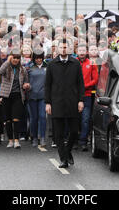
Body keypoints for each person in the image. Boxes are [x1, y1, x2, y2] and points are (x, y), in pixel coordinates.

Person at [45, 39, 85, 168]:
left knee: (74, 132)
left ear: (69, 49)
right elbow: (47, 85)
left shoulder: (75, 63)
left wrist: (80, 100)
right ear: (57, 49)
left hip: (72, 102)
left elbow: (80, 83)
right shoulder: (51, 64)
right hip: (56, 103)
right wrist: (47, 103)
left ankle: (67, 152)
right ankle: (63, 159)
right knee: (59, 134)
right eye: (61, 47)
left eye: (65, 47)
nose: (63, 49)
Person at [0, 53, 30, 149]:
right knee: (7, 119)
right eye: (14, 58)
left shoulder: (23, 70)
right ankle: (10, 140)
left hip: (18, 96)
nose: (15, 60)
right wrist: (7, 61)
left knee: (16, 119)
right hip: (6, 96)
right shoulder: (6, 67)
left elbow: (27, 82)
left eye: (17, 58)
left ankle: (16, 140)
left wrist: (26, 85)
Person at [77, 44, 99, 152]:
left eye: (83, 50)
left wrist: (84, 86)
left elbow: (95, 79)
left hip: (87, 95)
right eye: (79, 50)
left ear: (86, 52)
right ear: (77, 51)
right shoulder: (73, 62)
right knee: (74, 119)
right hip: (74, 95)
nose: (81, 52)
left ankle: (83, 141)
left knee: (85, 119)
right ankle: (73, 140)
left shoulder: (92, 62)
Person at [27, 52, 48, 148]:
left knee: (43, 116)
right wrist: (26, 85)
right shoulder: (29, 67)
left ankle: (42, 137)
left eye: (40, 58)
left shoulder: (47, 67)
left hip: (43, 96)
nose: (38, 60)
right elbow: (25, 79)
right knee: (34, 118)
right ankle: (34, 137)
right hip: (32, 96)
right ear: (34, 59)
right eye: (36, 58)